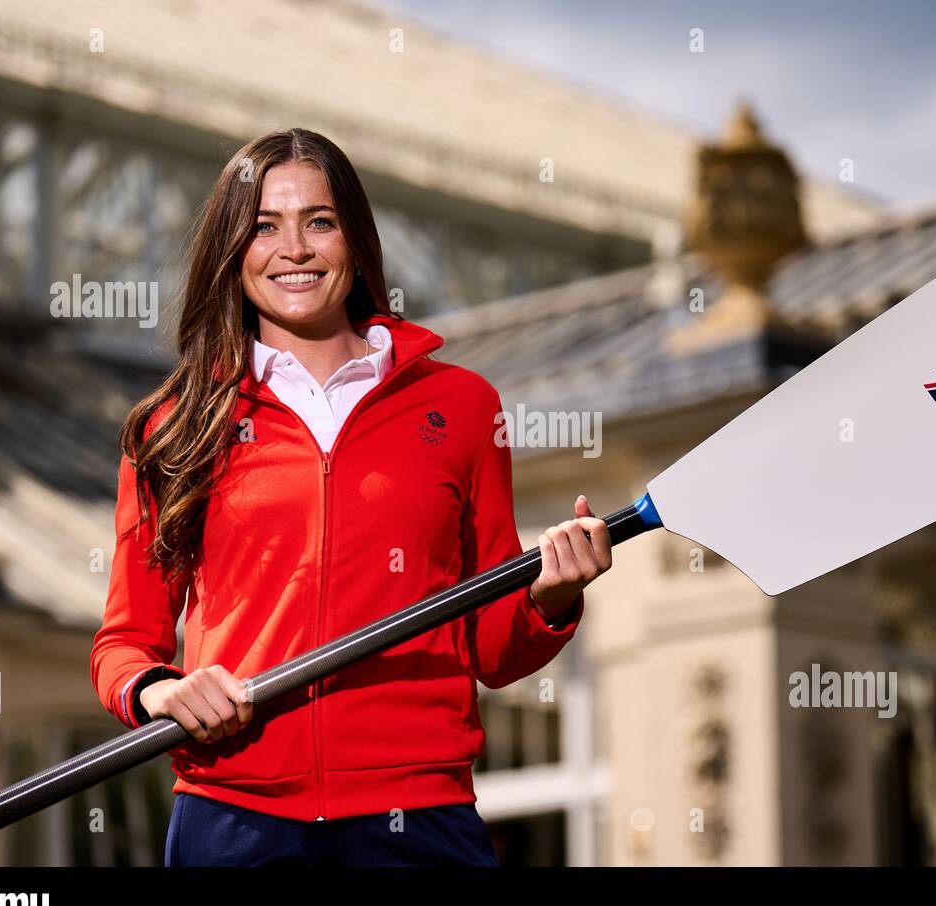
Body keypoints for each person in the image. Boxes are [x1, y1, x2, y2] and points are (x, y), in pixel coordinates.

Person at [90, 128, 611, 867]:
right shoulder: (171, 427)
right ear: (231, 251)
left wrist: (550, 598)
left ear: (356, 241)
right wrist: (158, 693)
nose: (293, 248)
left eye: (319, 222)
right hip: (232, 819)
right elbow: (123, 645)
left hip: (418, 818)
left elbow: (490, 645)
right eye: (264, 226)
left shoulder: (461, 406)